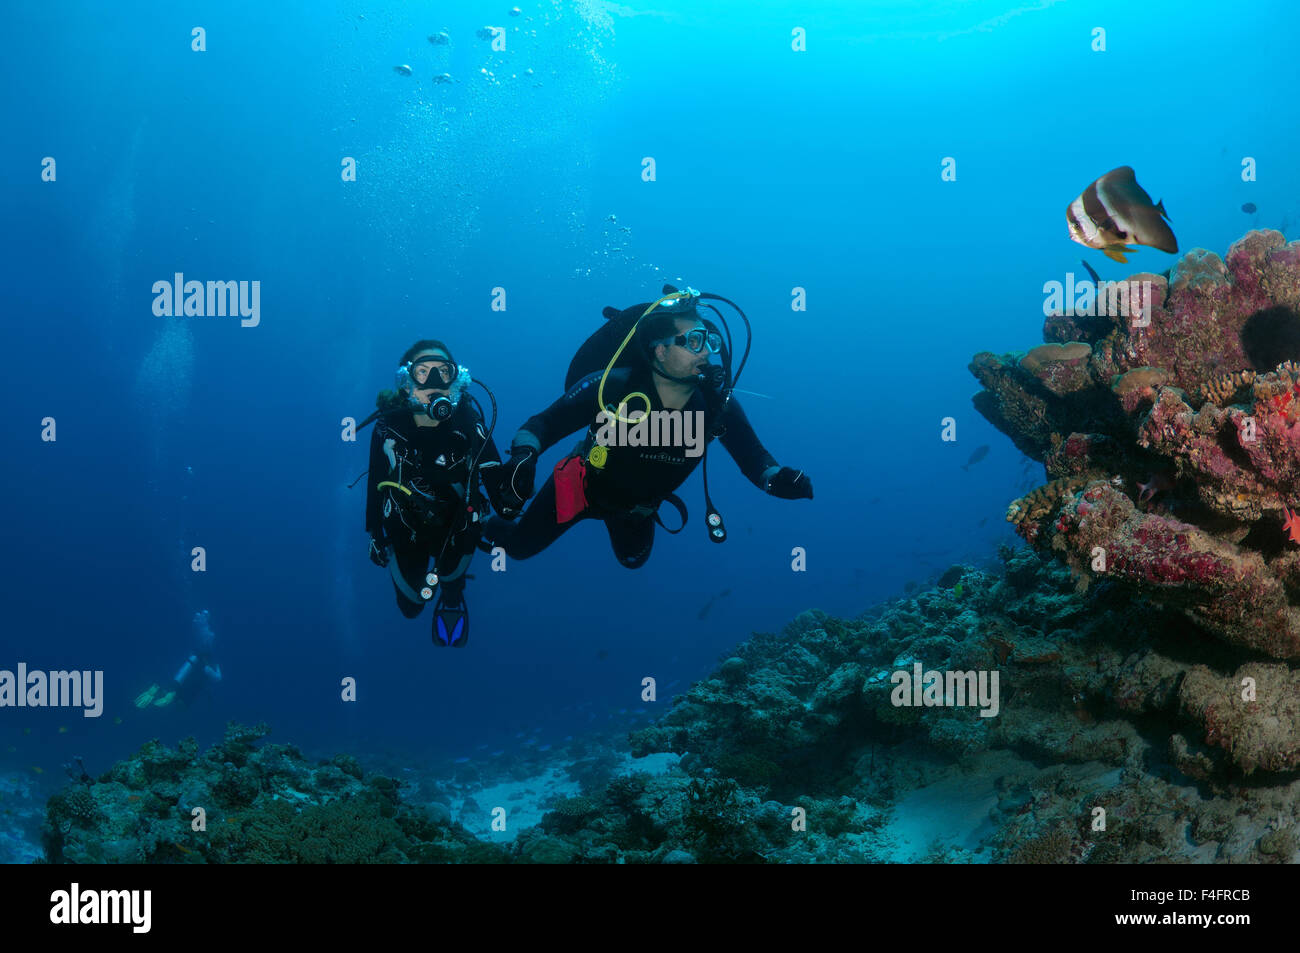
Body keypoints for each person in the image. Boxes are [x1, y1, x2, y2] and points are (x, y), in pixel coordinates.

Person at [485, 287, 812, 568]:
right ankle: (479, 523)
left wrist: (777, 480)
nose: (707, 352)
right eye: (694, 341)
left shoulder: (717, 406)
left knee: (633, 561)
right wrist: (524, 457)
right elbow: (542, 424)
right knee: (516, 549)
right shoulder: (611, 387)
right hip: (580, 488)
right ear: (660, 350)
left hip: (637, 510)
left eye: (710, 341)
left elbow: (755, 459)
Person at [364, 340, 508, 646]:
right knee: (410, 607)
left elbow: (498, 484)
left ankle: (452, 594)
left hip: (457, 527)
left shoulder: (468, 420)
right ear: (406, 383)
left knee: (451, 579)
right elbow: (374, 484)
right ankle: (439, 589)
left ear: (455, 382)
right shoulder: (388, 426)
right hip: (406, 528)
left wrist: (511, 491)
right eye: (423, 372)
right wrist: (375, 533)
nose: (433, 382)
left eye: (443, 372)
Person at [134, 609, 223, 709]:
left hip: (175, 680)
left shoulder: (194, 656)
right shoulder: (207, 665)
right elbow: (218, 678)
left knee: (172, 687)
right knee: (178, 699)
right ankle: (171, 694)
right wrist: (217, 666)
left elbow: (183, 670)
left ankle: (156, 689)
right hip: (183, 692)